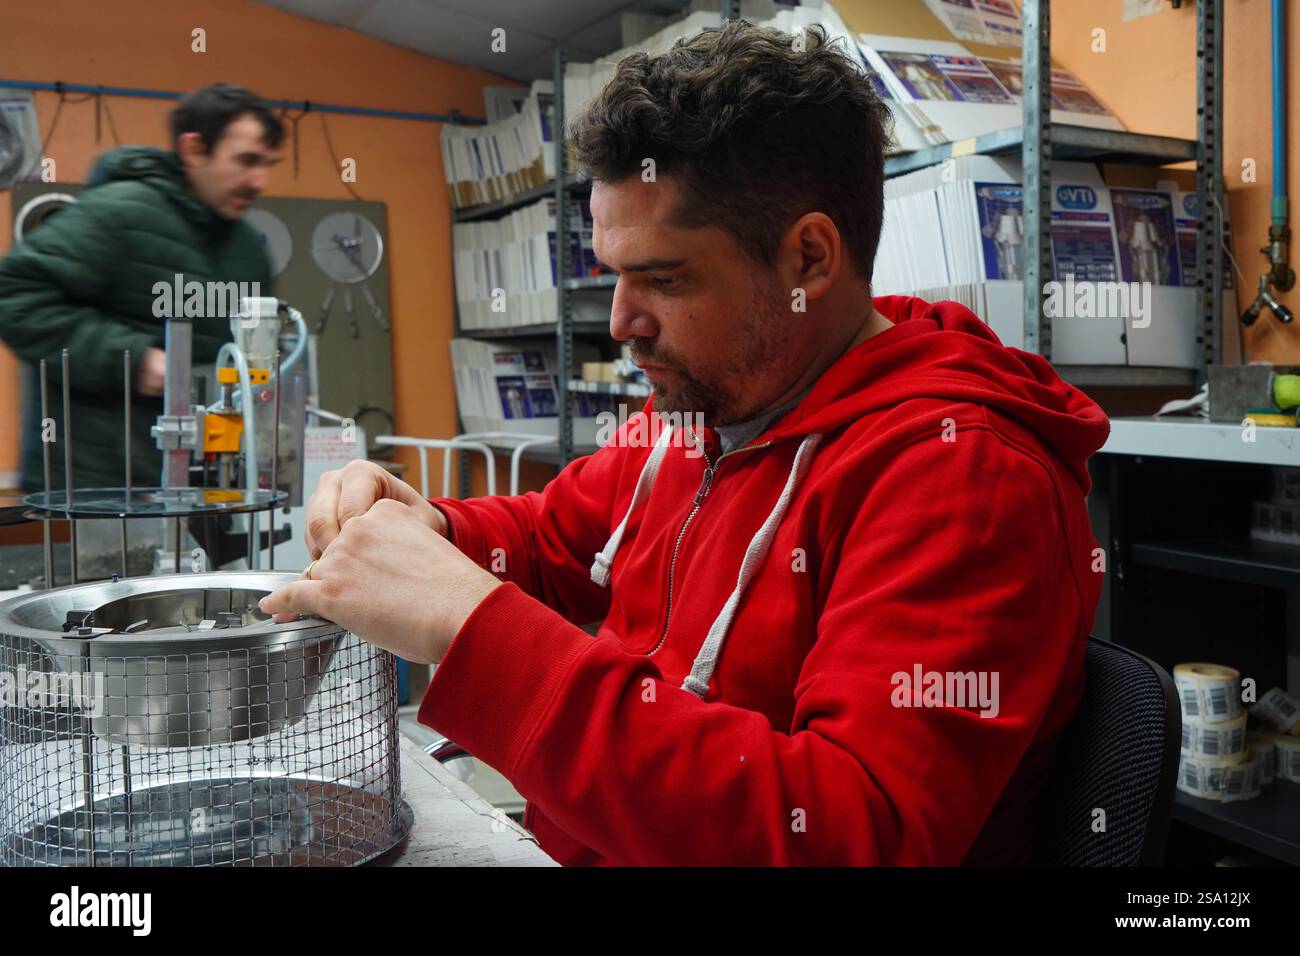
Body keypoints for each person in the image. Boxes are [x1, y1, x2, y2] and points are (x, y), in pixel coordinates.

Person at [262, 22, 1110, 865]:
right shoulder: (705, 407)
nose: (623, 323)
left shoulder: (961, 475)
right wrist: (435, 532)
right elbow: (556, 536)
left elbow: (852, 834)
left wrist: (471, 627)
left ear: (808, 259)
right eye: (613, 274)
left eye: (664, 279)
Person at [0, 83, 282, 491]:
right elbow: (15, 294)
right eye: (247, 160)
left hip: (205, 483)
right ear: (194, 150)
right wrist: (131, 360)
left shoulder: (247, 250)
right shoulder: (118, 212)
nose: (260, 180)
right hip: (97, 489)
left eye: (268, 163)